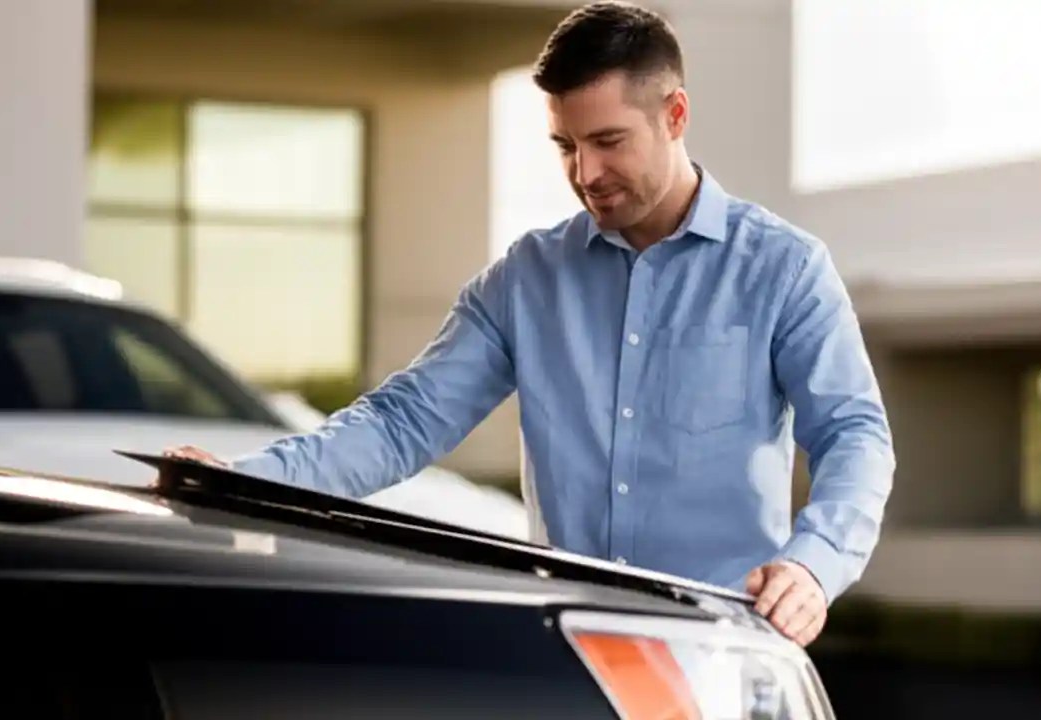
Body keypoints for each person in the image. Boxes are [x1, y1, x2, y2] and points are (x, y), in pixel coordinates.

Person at [165, 0, 894, 647]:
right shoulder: (527, 278)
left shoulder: (783, 269)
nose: (584, 173)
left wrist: (813, 565)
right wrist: (246, 484)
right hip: (569, 655)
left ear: (674, 116)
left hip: (724, 655)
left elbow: (854, 434)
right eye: (565, 147)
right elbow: (401, 422)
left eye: (608, 141)